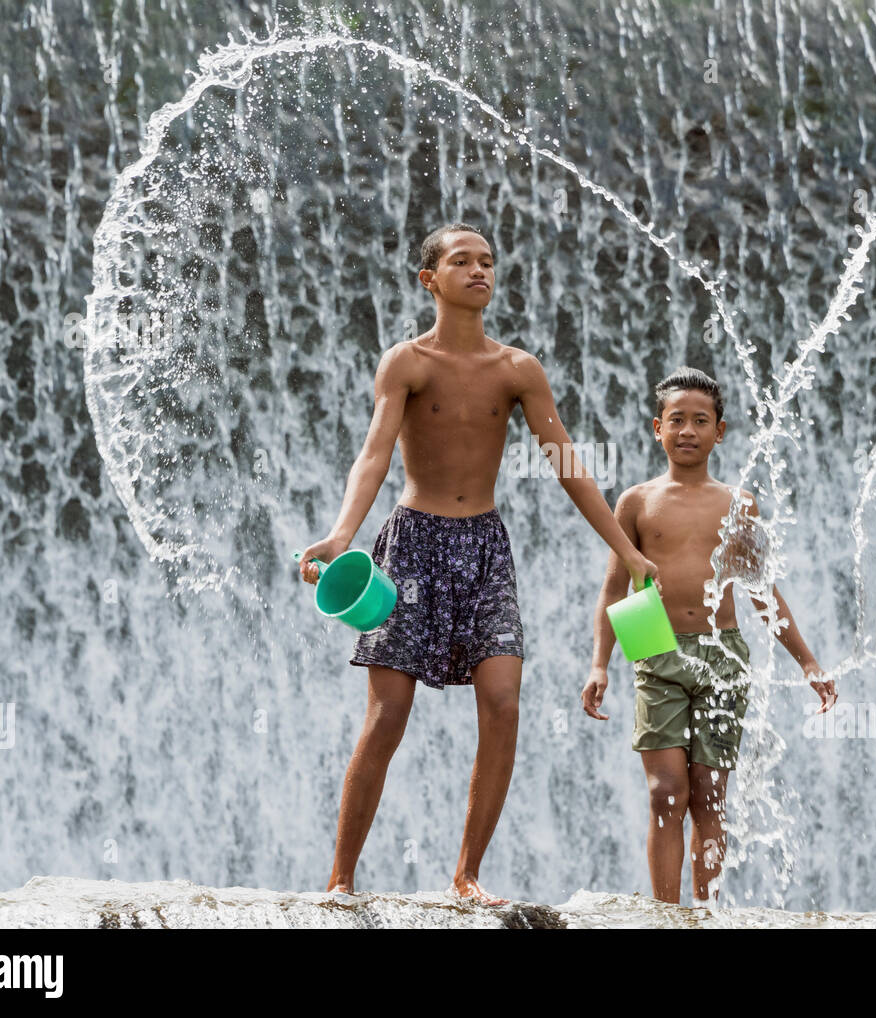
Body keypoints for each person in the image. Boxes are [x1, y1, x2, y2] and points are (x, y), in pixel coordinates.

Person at [300, 222, 659, 905]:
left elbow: (566, 463)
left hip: (485, 548)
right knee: (388, 714)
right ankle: (342, 878)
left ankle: (465, 875)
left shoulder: (517, 370)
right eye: (461, 261)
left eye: (488, 261)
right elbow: (374, 453)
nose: (479, 270)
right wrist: (342, 534)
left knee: (502, 702)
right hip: (411, 544)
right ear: (428, 280)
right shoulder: (406, 362)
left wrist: (625, 547)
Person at [581, 366, 835, 905]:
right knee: (664, 794)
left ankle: (708, 913)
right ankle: (666, 914)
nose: (688, 431)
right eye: (677, 420)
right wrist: (599, 663)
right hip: (653, 643)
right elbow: (613, 590)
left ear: (720, 432)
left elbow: (763, 592)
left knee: (709, 797)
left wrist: (808, 663)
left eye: (701, 421)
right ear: (657, 428)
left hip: (722, 651)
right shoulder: (635, 502)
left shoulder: (737, 503)